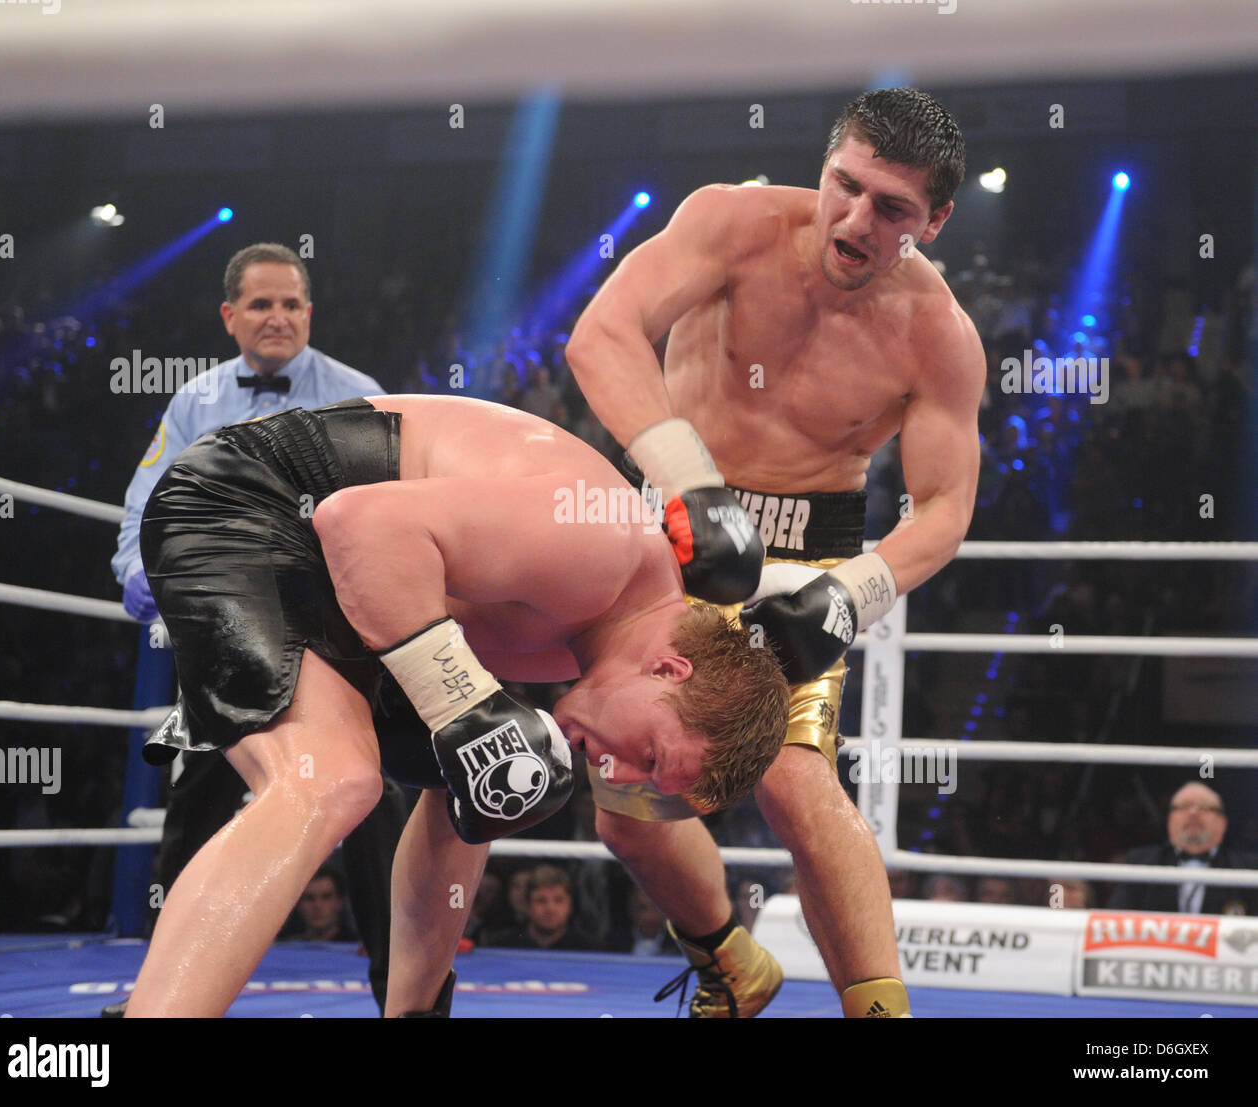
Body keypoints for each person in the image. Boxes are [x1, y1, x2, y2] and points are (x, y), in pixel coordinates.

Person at [123, 393, 789, 1017]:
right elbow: (358, 522)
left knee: (476, 781)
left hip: (338, 581)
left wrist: (465, 719)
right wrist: (459, 700)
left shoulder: (613, 627)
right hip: (253, 499)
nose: (617, 775)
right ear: (670, 667)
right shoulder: (604, 552)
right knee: (329, 776)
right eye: (649, 754)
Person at [565, 87, 984, 1017]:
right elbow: (601, 333)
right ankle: (729, 960)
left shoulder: (938, 333)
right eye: (847, 185)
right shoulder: (731, 224)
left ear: (936, 219)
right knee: (631, 808)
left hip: (806, 556)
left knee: (794, 776)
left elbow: (946, 507)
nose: (857, 219)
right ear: (826, 163)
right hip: (673, 531)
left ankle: (880, 1008)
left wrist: (853, 595)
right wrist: (689, 483)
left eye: (893, 208)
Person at [105, 243, 405, 1015]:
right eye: (263, 304)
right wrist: (150, 581)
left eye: (294, 303)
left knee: (372, 811)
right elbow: (144, 506)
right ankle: (158, 995)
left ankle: (400, 1000)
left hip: (334, 634)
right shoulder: (195, 403)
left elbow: (400, 517)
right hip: (228, 629)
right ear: (229, 315)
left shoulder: (359, 394)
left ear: (311, 311)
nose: (280, 317)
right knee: (196, 808)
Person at [1107, 783, 1258, 915]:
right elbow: (1116, 920)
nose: (1193, 813)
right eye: (1184, 806)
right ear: (1170, 820)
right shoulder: (1140, 863)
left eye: (1204, 807)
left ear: (1222, 823)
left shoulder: (1248, 868)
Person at [484, 865, 596, 951]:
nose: (550, 909)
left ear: (570, 906)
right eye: (541, 901)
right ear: (527, 905)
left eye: (558, 900)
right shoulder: (501, 946)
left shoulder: (590, 950)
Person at [283, 865, 358, 942]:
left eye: (326, 897)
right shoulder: (283, 947)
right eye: (309, 898)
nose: (317, 906)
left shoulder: (360, 948)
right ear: (298, 904)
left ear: (340, 901)